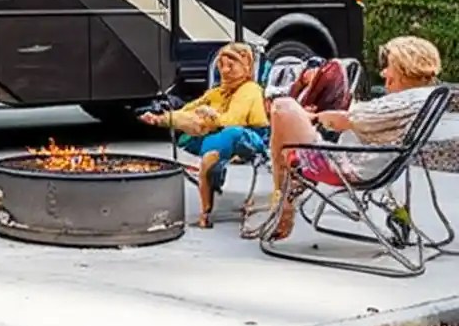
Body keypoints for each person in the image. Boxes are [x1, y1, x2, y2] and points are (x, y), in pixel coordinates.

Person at [258, 35, 442, 241]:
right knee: (289, 123)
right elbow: (361, 118)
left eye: (388, 67)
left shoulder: (404, 101)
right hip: (369, 164)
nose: (383, 73)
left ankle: (282, 201)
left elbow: (343, 121)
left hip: (345, 167)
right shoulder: (423, 97)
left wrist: (315, 117)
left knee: (283, 106)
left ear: (404, 68)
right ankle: (285, 195)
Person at [138, 42, 268, 228]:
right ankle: (208, 163)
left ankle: (208, 184)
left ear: (246, 66)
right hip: (213, 133)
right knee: (191, 124)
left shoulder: (250, 90)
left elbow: (233, 120)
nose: (225, 70)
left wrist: (211, 117)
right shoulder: (215, 92)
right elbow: (189, 109)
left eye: (231, 66)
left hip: (247, 135)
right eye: (221, 65)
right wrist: (163, 117)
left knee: (231, 134)